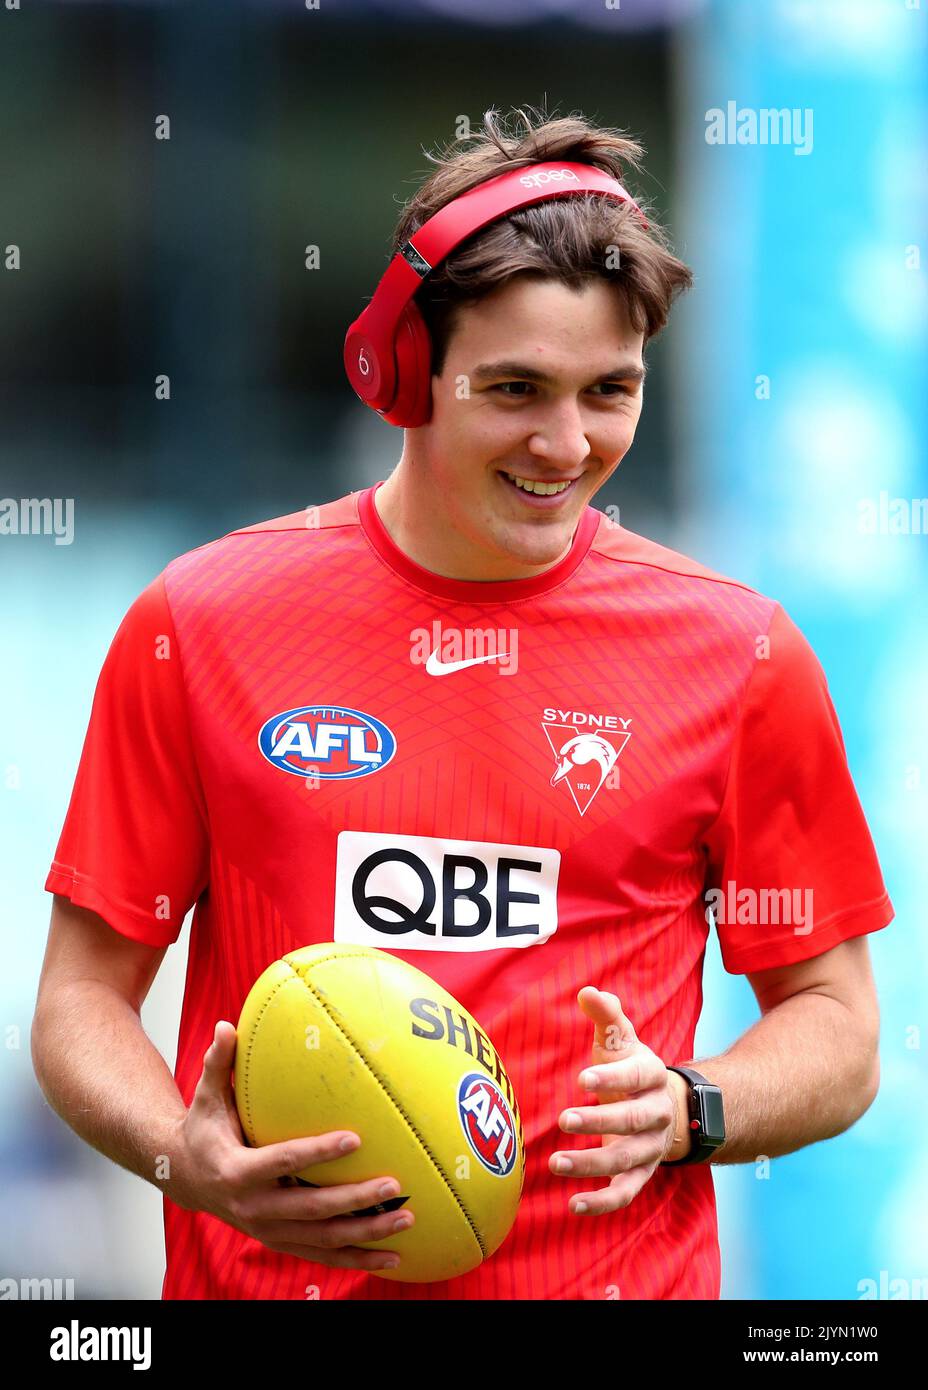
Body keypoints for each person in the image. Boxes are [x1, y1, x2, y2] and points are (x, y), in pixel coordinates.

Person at [33, 106, 892, 1301]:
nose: (564, 441)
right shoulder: (201, 622)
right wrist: (186, 1154)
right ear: (402, 374)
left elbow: (839, 1026)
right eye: (515, 388)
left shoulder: (739, 653)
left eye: (610, 391)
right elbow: (78, 996)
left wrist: (694, 1104)